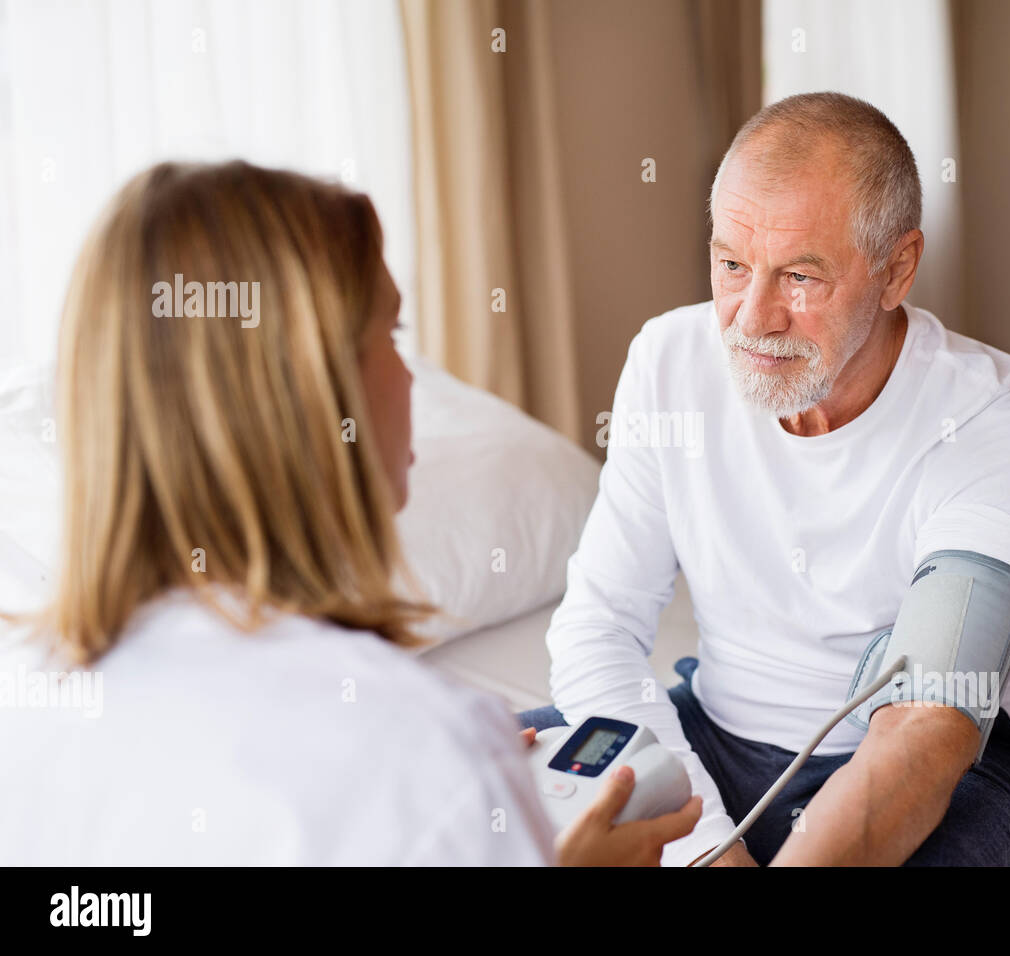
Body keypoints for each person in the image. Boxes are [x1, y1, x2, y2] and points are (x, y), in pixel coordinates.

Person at [0, 161, 699, 866]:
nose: (408, 377)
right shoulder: (413, 756)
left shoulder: (30, 730)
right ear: (308, 396)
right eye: (391, 336)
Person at [520, 92, 1010, 867]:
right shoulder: (668, 360)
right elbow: (598, 628)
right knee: (480, 789)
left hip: (960, 764)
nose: (752, 319)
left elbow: (929, 720)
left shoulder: (993, 419)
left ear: (897, 268)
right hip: (715, 733)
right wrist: (710, 846)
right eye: (732, 265)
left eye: (801, 277)